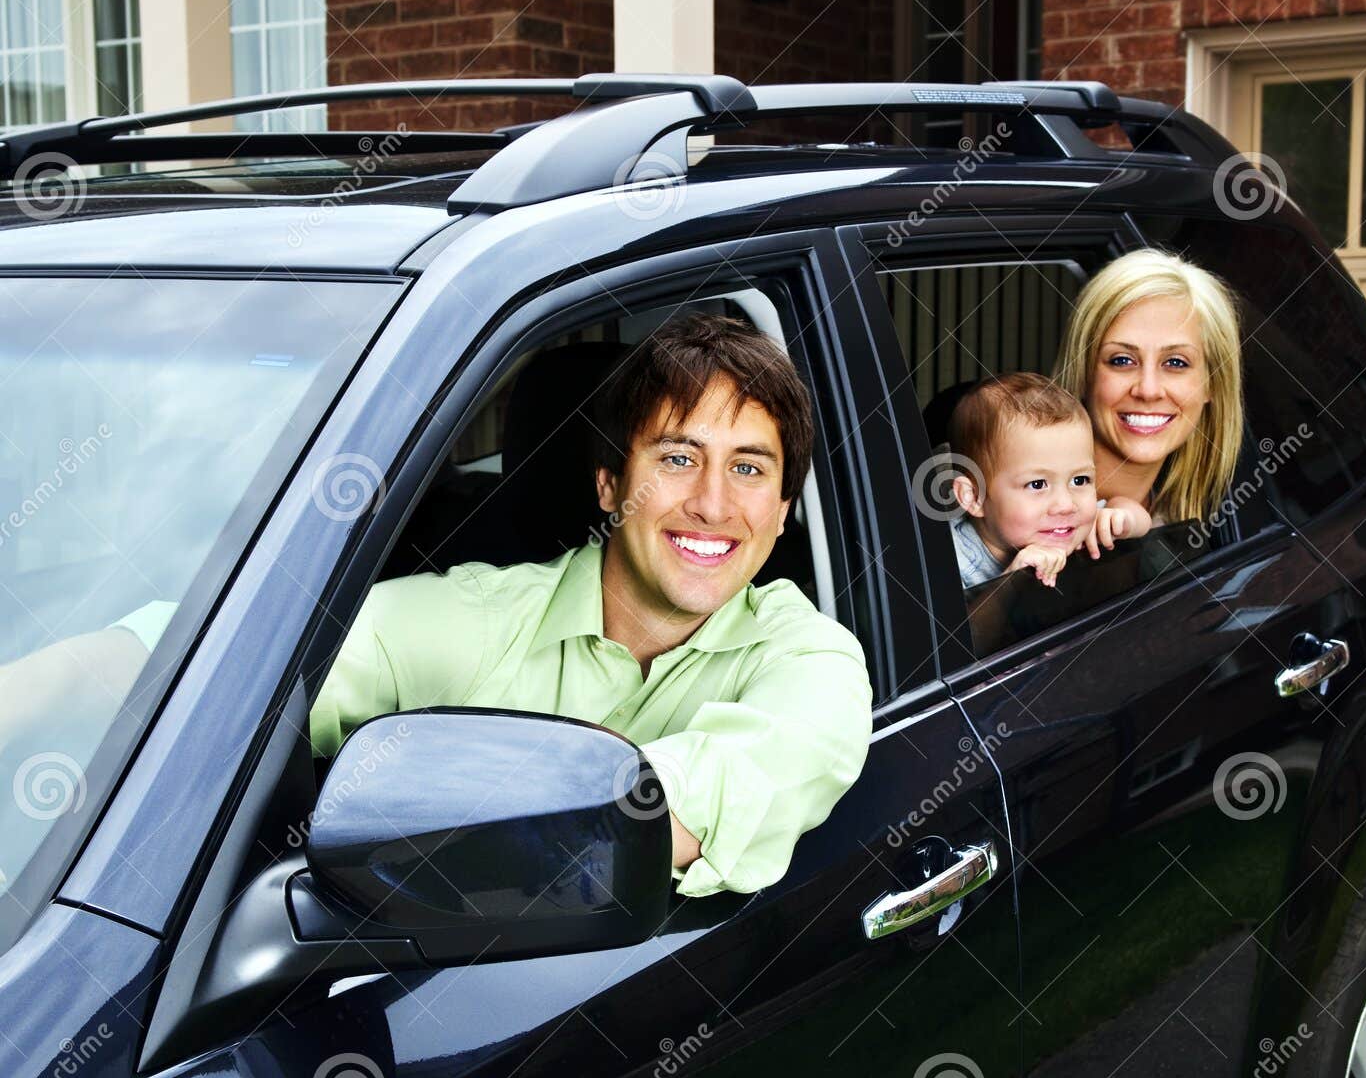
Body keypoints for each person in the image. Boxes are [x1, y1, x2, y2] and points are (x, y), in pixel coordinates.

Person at [1, 314, 874, 900]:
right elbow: (237, 655)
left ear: (783, 512)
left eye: (750, 468)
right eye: (678, 458)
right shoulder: (482, 616)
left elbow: (660, 816)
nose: (715, 503)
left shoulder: (813, 664)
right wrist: (30, 692)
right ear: (611, 484)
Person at [1053, 249, 1244, 530]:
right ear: (1083, 373)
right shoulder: (1026, 519)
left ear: (1212, 383)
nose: (1148, 390)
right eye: (1122, 360)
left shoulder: (1176, 523)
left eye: (1176, 362)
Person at [945, 372, 1151, 590]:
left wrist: (1122, 518)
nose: (1066, 505)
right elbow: (968, 625)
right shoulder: (950, 560)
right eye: (1037, 485)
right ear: (974, 497)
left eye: (1080, 480)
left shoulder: (1073, 527)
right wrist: (1011, 583)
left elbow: (1141, 520)